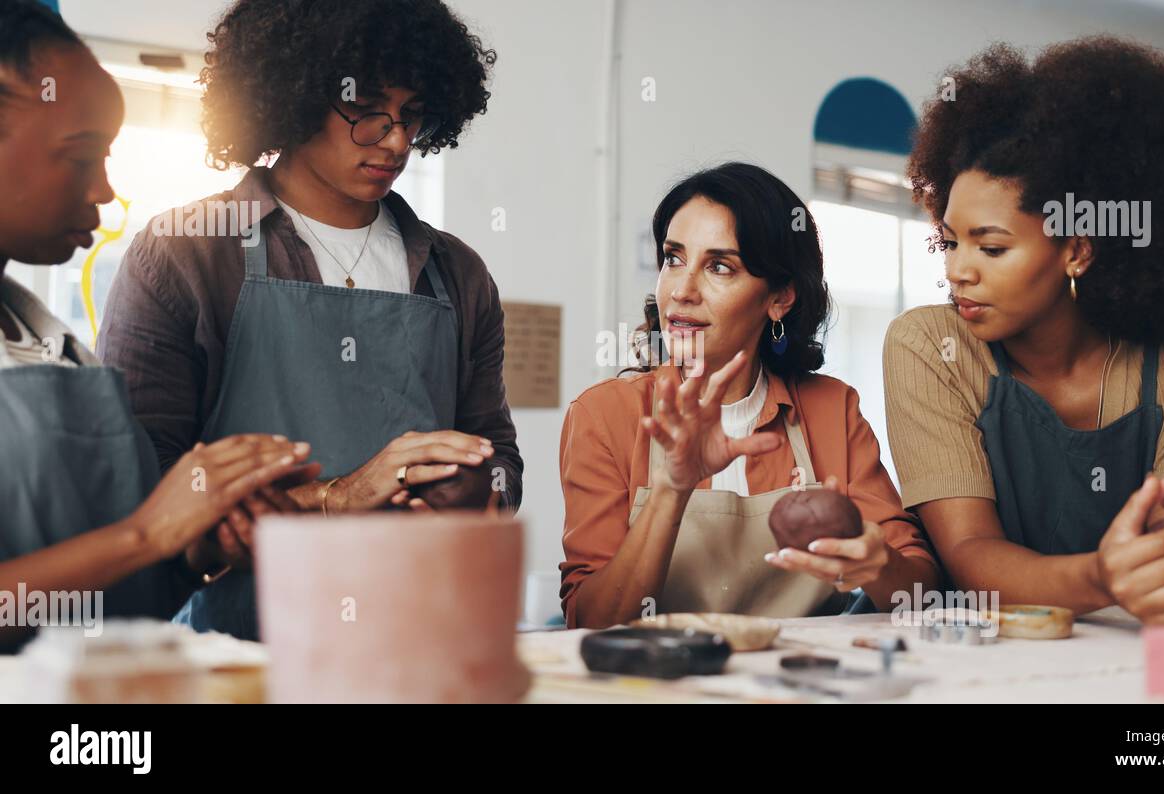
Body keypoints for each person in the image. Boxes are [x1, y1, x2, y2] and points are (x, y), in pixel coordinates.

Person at [98, 0, 520, 639]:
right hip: (240, 652)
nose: (398, 140)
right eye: (367, 109)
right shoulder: (187, 251)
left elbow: (501, 460)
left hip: (419, 636)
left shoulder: (456, 272)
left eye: (411, 115)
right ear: (290, 95)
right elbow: (141, 498)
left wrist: (473, 490)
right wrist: (340, 498)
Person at [884, 37, 1164, 623]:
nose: (957, 269)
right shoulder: (928, 348)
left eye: (991, 247)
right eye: (950, 240)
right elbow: (972, 559)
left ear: (1077, 249)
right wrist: (1107, 576)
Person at [0, 0, 313, 650]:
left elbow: (105, 601)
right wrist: (145, 535)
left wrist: (197, 546)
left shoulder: (58, 357)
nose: (106, 191)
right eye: (82, 156)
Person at [559, 163, 939, 629]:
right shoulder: (605, 416)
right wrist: (671, 489)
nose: (681, 290)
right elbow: (589, 624)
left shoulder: (831, 410)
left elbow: (922, 596)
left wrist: (876, 565)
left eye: (719, 267)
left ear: (779, 298)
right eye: (673, 258)